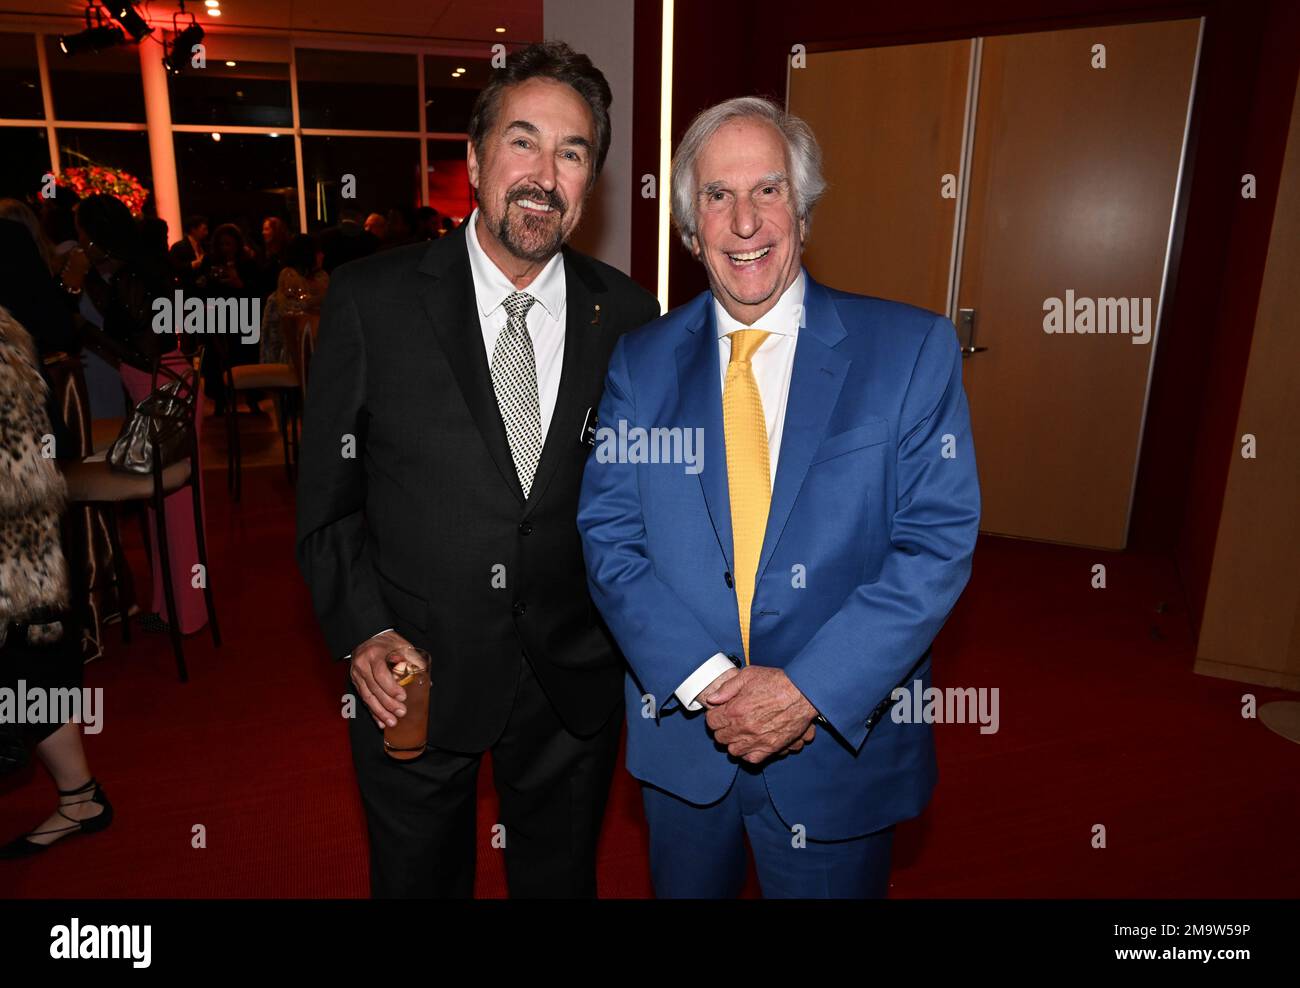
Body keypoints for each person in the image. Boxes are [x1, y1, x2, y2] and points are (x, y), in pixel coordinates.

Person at [578, 97, 982, 898]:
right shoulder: (640, 364)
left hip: (836, 750)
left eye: (768, 189)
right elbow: (609, 537)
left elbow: (935, 544)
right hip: (686, 745)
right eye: (718, 198)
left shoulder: (907, 351)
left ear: (802, 208)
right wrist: (705, 685)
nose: (745, 220)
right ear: (692, 232)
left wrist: (804, 692)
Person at [296, 40, 659, 898]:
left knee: (560, 882)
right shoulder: (370, 301)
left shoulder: (630, 313)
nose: (545, 171)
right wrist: (364, 630)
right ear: (474, 157)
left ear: (591, 181)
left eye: (572, 152)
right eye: (523, 141)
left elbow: (646, 499)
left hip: (572, 677)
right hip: (414, 673)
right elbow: (328, 504)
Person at [62, 195, 210, 637]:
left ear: (96, 232)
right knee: (164, 507)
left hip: (160, 391)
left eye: (83, 230)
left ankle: (183, 615)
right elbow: (122, 316)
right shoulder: (136, 268)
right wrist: (82, 287)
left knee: (173, 506)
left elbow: (141, 351)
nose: (81, 239)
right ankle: (170, 609)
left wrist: (81, 329)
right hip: (166, 387)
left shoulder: (133, 272)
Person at [0, 300, 112, 858]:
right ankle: (80, 798)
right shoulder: (10, 331)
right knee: (33, 669)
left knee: (29, 671)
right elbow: (58, 444)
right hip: (31, 550)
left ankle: (80, 798)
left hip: (16, 555)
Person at [260, 233, 328, 364]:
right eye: (318, 251)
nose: (322, 255)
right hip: (291, 363)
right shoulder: (280, 297)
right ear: (307, 254)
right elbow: (270, 341)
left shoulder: (326, 287)